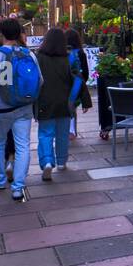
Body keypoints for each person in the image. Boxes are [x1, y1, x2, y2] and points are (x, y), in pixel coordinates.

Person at [0, 18, 38, 201]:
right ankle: (18, 187)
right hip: (24, 107)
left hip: (1, 107)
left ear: (1, 34)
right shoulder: (28, 54)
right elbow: (41, 80)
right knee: (23, 146)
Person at [34, 28, 81, 181]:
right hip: (64, 101)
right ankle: (61, 161)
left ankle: (47, 161)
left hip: (45, 101)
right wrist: (80, 101)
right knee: (62, 133)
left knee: (45, 133)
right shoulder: (68, 57)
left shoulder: (38, 57)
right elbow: (78, 79)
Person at [65, 28, 92, 140]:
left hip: (64, 84)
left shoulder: (62, 53)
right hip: (77, 84)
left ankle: (67, 131)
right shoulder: (81, 53)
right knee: (73, 107)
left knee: (66, 107)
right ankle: (72, 131)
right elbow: (85, 72)